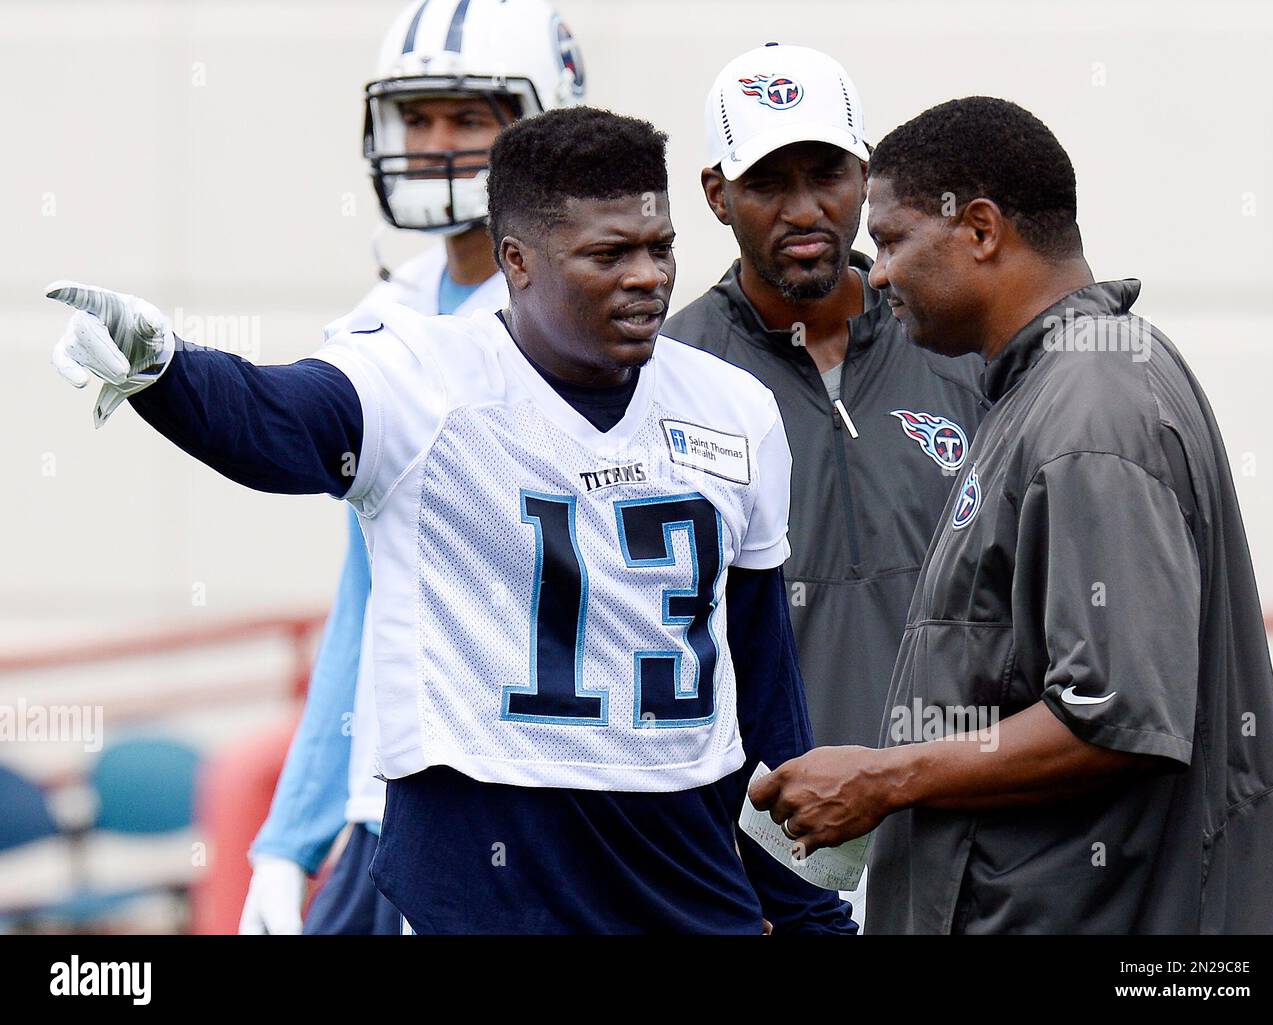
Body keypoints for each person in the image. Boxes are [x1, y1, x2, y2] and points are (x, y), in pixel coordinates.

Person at [46, 106, 854, 935]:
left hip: (683, 881)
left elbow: (764, 692)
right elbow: (276, 418)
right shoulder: (421, 379)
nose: (648, 276)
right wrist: (168, 372)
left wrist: (807, 910)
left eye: (661, 248)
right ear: (518, 260)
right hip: (486, 881)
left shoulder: (734, 411)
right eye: (609, 254)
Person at [751, 96, 1273, 934]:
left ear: (979, 229)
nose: (880, 272)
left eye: (893, 239)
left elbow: (1117, 718)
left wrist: (884, 777)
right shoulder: (1044, 387)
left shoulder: (1095, 403)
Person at [237, 0, 586, 935]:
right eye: (418, 116)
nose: (435, 143)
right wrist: (289, 838)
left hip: (531, 806)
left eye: (469, 116)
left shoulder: (586, 322)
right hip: (381, 805)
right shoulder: (379, 317)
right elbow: (362, 596)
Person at [664, 42, 984, 929]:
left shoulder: (958, 344)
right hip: (763, 874)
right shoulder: (666, 376)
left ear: (865, 172)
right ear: (717, 194)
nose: (805, 211)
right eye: (769, 181)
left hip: (964, 851)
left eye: (828, 174)